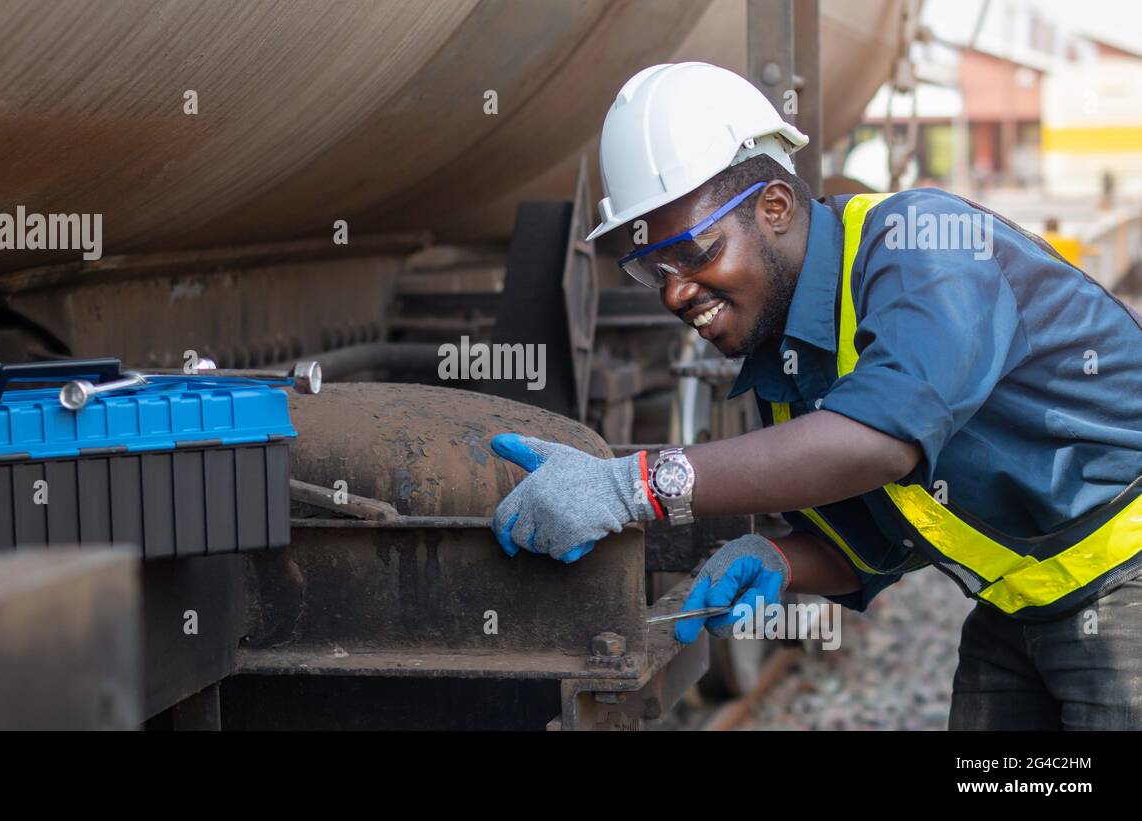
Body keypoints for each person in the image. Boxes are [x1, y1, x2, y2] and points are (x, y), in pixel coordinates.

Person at [489, 63, 1142, 730]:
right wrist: (778, 557)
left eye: (692, 251)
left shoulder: (920, 246)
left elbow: (878, 442)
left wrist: (633, 485)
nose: (674, 292)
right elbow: (880, 546)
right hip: (1020, 605)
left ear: (774, 207)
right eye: (651, 268)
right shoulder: (786, 369)